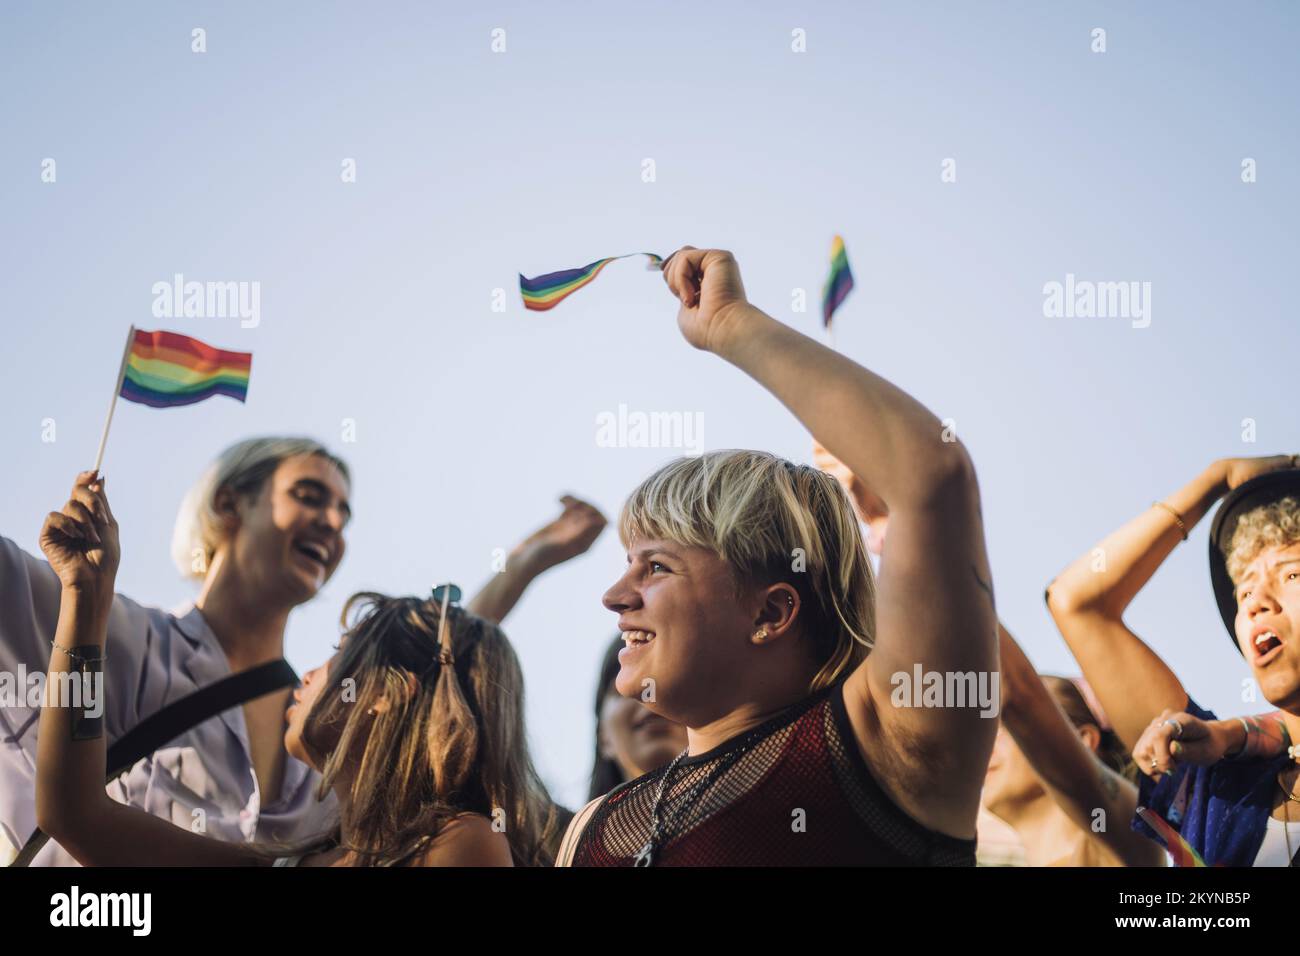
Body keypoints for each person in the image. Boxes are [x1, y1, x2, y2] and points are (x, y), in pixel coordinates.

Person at [557, 246, 998, 866]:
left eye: (655, 567)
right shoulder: (591, 830)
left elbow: (934, 475)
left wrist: (729, 323)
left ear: (771, 612)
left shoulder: (886, 745)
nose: (615, 596)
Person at [34, 472, 557, 865]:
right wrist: (85, 595)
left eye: (341, 650)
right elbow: (74, 812)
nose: (307, 673)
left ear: (387, 692)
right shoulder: (283, 862)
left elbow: (449, 659)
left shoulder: (460, 844)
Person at [0, 438, 351, 865]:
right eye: (308, 496)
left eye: (343, 514)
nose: (332, 521)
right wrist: (83, 594)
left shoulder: (327, 742)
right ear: (228, 503)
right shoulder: (110, 633)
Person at [814, 441, 1162, 866]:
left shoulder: (1135, 841)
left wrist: (901, 533)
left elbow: (1014, 690)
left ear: (1084, 741)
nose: (983, 740)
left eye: (998, 726)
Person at [1047, 457, 1299, 866]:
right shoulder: (1219, 786)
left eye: (1291, 576)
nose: (1257, 604)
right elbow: (1077, 603)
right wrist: (1219, 477)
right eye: (1245, 593)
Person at [587, 635, 688, 801]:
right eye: (626, 688)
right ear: (603, 736)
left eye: (667, 679)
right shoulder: (566, 826)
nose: (650, 697)